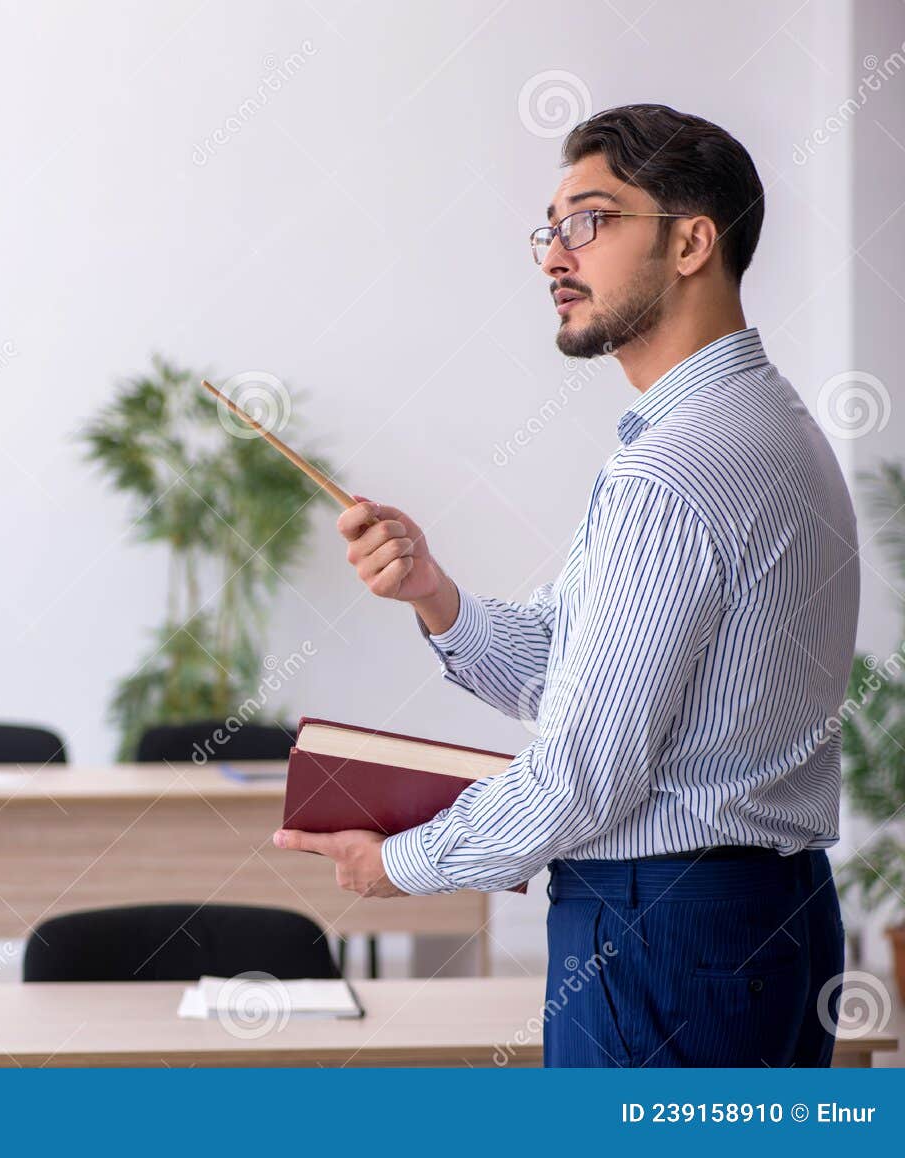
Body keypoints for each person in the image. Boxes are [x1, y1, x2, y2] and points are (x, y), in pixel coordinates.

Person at [274, 103, 858, 1067]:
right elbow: (580, 667)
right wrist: (435, 594)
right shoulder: (769, 425)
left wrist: (400, 865)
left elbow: (582, 772)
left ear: (691, 243)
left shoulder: (676, 471)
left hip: (662, 931)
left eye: (588, 221)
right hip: (768, 914)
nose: (554, 256)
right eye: (549, 229)